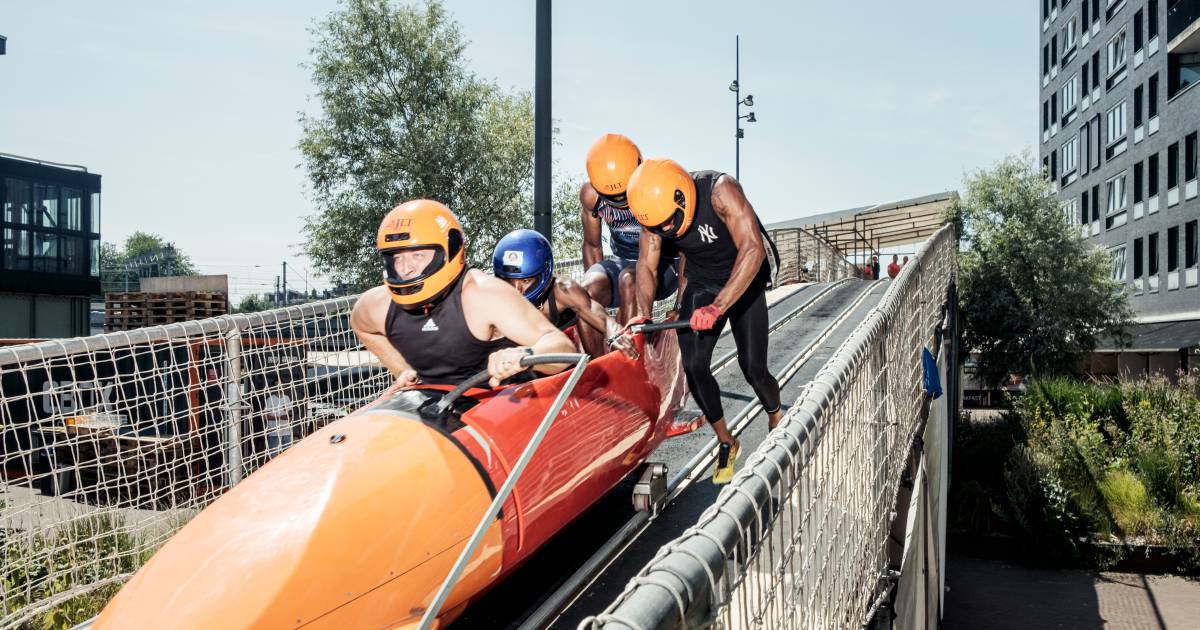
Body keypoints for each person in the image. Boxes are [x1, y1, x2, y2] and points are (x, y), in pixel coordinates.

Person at [626, 158, 782, 484]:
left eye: (670, 224)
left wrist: (718, 307)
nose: (666, 232)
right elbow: (646, 267)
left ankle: (775, 414)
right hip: (701, 280)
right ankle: (727, 440)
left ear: (682, 198)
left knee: (753, 366)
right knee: (695, 366)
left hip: (744, 277)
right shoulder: (654, 214)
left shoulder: (720, 191)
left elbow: (753, 249)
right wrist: (641, 315)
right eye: (659, 228)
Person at [351, 199, 575, 389]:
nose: (405, 269)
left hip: (502, 408)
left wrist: (525, 354)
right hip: (435, 414)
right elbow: (361, 324)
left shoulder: (484, 295)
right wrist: (404, 371)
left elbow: (563, 349)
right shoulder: (376, 304)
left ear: (448, 250)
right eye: (397, 258)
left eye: (418, 255)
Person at [578, 134, 682, 338]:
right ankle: (600, 364)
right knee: (584, 292)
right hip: (622, 260)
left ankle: (633, 352)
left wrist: (682, 302)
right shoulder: (591, 196)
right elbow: (592, 246)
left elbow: (686, 246)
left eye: (624, 194)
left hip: (663, 263)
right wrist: (598, 307)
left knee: (629, 279)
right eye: (613, 198)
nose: (619, 200)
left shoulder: (655, 186)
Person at [491, 228, 638, 360]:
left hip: (571, 361)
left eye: (526, 280)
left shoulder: (562, 289)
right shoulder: (493, 303)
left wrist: (616, 334)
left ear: (543, 273)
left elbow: (596, 313)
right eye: (510, 281)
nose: (517, 289)